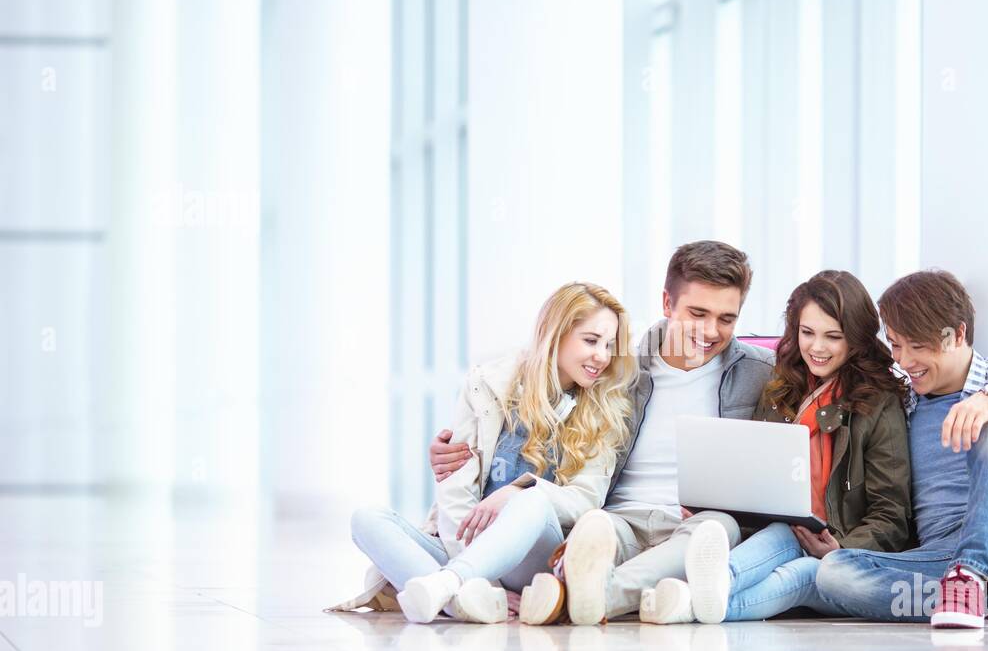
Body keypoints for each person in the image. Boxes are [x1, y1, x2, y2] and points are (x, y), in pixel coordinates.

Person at [430, 241, 775, 624]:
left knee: (719, 528)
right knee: (593, 531)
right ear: (667, 303)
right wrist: (467, 449)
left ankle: (589, 597)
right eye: (697, 313)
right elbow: (540, 411)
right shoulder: (617, 367)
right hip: (616, 521)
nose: (710, 331)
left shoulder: (761, 372)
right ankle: (637, 596)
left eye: (727, 318)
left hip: (693, 525)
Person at [336, 282, 637, 624]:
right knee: (366, 518)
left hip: (535, 558)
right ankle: (465, 599)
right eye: (591, 340)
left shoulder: (607, 408)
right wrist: (482, 576)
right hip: (467, 546)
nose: (602, 356)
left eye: (610, 345)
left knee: (532, 499)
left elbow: (586, 499)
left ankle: (449, 587)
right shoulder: (486, 385)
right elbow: (455, 489)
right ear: (556, 334)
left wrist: (516, 490)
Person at [638, 270, 913, 624]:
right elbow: (751, 475)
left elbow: (891, 515)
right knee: (783, 533)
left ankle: (692, 595)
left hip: (834, 550)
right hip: (773, 536)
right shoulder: (780, 388)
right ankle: (697, 599)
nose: (817, 347)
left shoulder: (878, 401)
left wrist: (841, 547)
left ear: (856, 339)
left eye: (833, 337)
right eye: (807, 333)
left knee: (796, 573)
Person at [813, 268, 988, 628]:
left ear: (958, 334)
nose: (905, 361)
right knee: (834, 572)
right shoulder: (901, 401)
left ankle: (974, 578)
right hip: (941, 559)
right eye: (895, 344)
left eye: (918, 346)